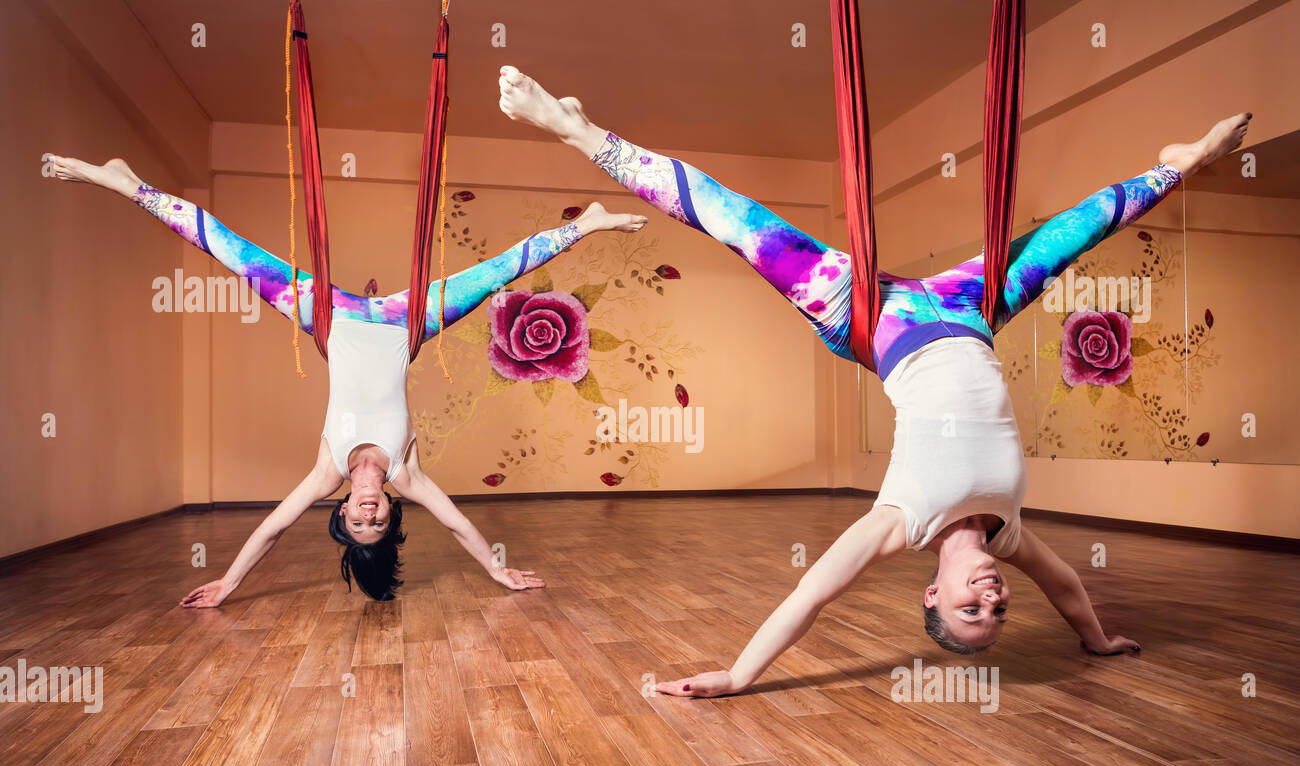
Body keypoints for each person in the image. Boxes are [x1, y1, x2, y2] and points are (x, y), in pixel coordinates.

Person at [495, 66, 1250, 695]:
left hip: (872, 322)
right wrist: (1095, 640)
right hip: (966, 310)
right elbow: (1067, 591)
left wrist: (737, 674)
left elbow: (810, 596)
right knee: (1070, 234)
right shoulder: (1010, 534)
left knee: (734, 221)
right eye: (996, 610)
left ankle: (579, 132)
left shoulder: (900, 520)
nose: (990, 597)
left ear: (932, 594)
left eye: (969, 608)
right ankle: (1179, 161)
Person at [48, 154, 647, 605]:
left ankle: (128, 185)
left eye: (355, 521)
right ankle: (585, 225)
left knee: (230, 251)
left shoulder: (326, 470)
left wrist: (229, 582)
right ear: (389, 511)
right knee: (499, 271)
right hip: (403, 322)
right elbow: (461, 525)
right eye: (377, 521)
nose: (367, 513)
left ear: (340, 513)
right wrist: (496, 570)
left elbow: (273, 528)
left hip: (328, 318)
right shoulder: (407, 473)